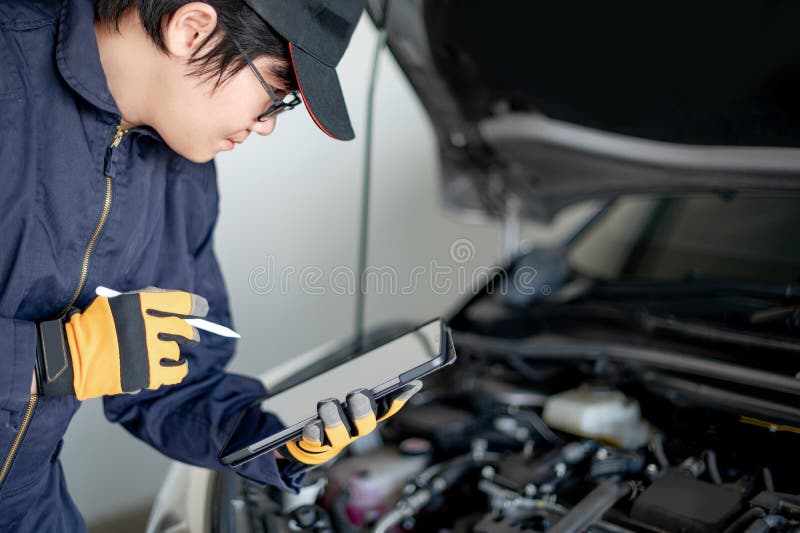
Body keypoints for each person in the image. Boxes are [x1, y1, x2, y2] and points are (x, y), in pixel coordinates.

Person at [0, 0, 419, 530]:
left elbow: (180, 382)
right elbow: (59, 361)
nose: (266, 126)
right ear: (192, 29)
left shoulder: (182, 170)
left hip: (27, 506)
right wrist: (42, 361)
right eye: (275, 96)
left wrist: (280, 438)